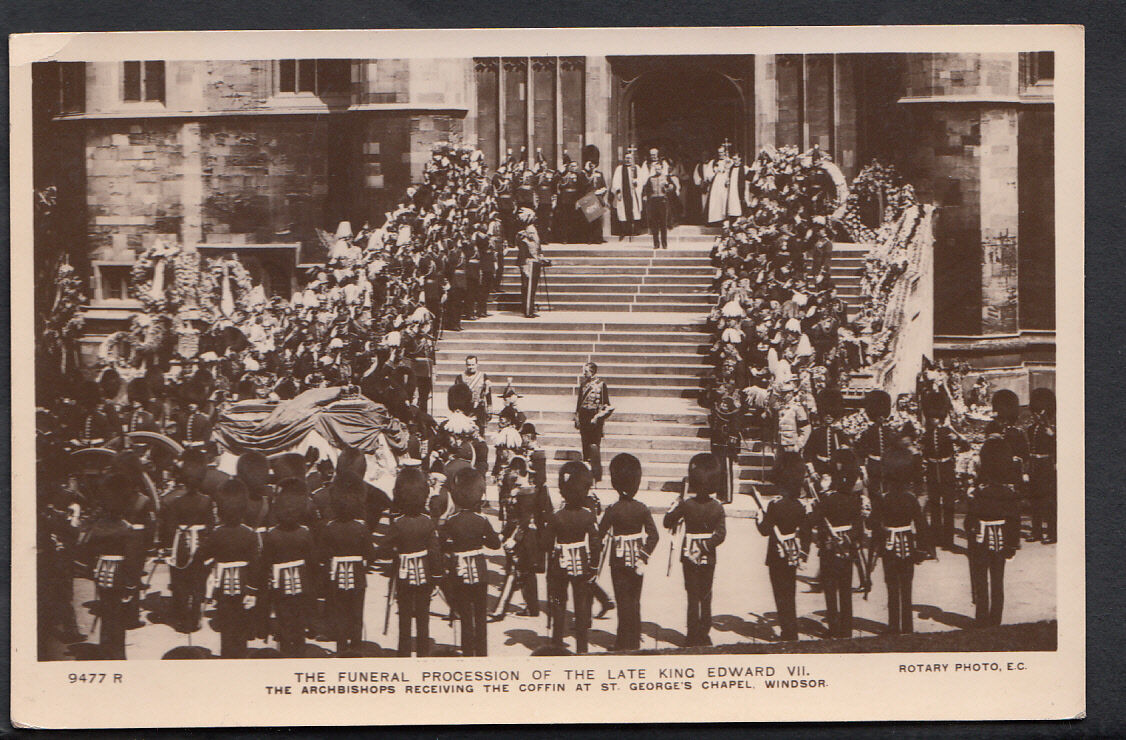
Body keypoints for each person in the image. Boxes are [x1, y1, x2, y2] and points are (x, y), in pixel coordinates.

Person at [663, 453, 726, 647]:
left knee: (692, 595)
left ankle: (692, 634)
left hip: (689, 554)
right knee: (706, 595)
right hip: (708, 555)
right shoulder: (717, 507)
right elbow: (721, 534)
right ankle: (704, 633)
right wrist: (706, 546)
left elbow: (668, 522)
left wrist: (673, 508)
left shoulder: (687, 505)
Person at [377, 467, 440, 657]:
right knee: (423, 618)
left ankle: (403, 655)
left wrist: (396, 550)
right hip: (424, 575)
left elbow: (383, 551)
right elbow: (434, 552)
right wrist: (437, 577)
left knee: (404, 619)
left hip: (403, 576)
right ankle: (423, 655)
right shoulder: (427, 522)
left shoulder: (398, 523)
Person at [598, 453, 659, 650]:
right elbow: (654, 536)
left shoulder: (613, 510)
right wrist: (644, 555)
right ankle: (634, 639)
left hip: (618, 559)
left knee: (623, 600)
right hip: (637, 560)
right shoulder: (642, 509)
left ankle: (623, 641)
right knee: (634, 600)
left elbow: (599, 534)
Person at [870, 446, 932, 635]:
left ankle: (893, 625)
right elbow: (921, 526)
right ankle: (907, 626)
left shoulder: (884, 499)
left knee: (892, 585)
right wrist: (922, 549)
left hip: (889, 545)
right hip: (907, 544)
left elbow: (872, 523)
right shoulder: (910, 499)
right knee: (906, 585)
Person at [197, 478, 261, 659]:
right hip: (243, 583)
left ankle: (228, 654)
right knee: (242, 622)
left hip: (223, 583)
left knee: (226, 623)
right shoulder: (249, 533)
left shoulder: (217, 533)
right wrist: (252, 589)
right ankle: (240, 653)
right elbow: (255, 563)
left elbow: (201, 555)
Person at [440, 468, 501, 656]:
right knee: (480, 615)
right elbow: (495, 544)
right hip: (480, 571)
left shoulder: (451, 521)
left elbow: (444, 546)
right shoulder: (481, 520)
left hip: (460, 571)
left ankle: (467, 652)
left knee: (466, 615)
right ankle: (482, 652)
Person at [82, 473, 143, 659]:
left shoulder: (99, 526)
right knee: (118, 617)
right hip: (120, 574)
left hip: (102, 572)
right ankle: (116, 654)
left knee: (106, 614)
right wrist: (132, 584)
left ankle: (105, 649)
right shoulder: (126, 529)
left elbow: (87, 549)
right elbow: (132, 561)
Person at [752, 451, 811, 641]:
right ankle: (791, 630)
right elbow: (806, 531)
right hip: (792, 552)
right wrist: (804, 554)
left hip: (777, 554)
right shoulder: (799, 506)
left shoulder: (774, 505)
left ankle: (787, 631)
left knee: (780, 593)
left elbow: (765, 530)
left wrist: (758, 519)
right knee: (790, 592)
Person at [544, 461, 602, 654]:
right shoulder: (587, 516)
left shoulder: (556, 516)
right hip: (581, 562)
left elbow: (546, 544)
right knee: (581, 606)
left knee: (559, 605)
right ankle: (582, 648)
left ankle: (557, 643)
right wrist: (594, 567)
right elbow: (595, 544)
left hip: (559, 564)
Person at [317, 472, 377, 657]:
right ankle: (356, 646)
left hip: (337, 574)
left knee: (340, 613)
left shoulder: (330, 527)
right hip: (357, 573)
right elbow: (371, 554)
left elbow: (323, 554)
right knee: (356, 613)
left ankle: (341, 648)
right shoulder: (361, 528)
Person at [965, 438, 1022, 627]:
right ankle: (995, 620)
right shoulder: (1008, 493)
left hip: (981, 540)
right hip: (1001, 540)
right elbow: (1014, 521)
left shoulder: (979, 492)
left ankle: (981, 619)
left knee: (981, 581)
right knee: (998, 582)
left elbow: (969, 522)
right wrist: (1012, 545)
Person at [261, 478, 317, 657]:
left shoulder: (272, 535)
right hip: (301, 580)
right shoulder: (305, 533)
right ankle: (299, 651)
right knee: (299, 619)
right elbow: (311, 561)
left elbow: (266, 562)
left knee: (283, 620)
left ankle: (285, 653)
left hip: (280, 583)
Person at [162, 449, 217, 633]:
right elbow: (210, 527)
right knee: (198, 582)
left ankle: (182, 618)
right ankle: (194, 618)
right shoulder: (206, 501)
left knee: (180, 582)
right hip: (200, 543)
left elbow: (169, 529)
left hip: (180, 545)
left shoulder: (174, 501)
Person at [813, 450, 864, 638]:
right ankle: (846, 628)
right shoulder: (853, 501)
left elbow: (815, 522)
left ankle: (834, 627)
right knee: (845, 588)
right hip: (847, 549)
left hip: (829, 549)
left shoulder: (827, 500)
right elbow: (858, 527)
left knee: (830, 589)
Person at [491, 455, 544, 621]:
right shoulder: (520, 492)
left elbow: (524, 521)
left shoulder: (526, 492)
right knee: (525, 573)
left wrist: (513, 538)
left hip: (523, 538)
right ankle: (532, 607)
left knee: (514, 572)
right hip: (518, 535)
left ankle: (500, 609)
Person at [920, 390, 965, 549]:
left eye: (936, 417)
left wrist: (957, 439)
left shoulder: (948, 431)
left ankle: (948, 540)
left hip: (946, 471)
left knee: (948, 506)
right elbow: (923, 452)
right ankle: (936, 537)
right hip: (933, 471)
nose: (934, 421)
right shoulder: (926, 434)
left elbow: (966, 445)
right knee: (934, 506)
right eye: (932, 418)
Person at [1027, 387, 1056, 544]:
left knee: (1049, 501)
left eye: (1040, 411)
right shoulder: (1032, 429)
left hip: (1046, 466)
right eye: (1036, 412)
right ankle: (1036, 531)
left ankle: (1052, 533)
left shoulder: (1052, 430)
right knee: (1035, 500)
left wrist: (1053, 436)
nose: (1037, 415)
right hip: (1035, 466)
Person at [575, 361, 611, 485]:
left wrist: (599, 417)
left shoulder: (601, 385)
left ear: (592, 372)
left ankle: (596, 475)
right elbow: (579, 403)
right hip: (584, 418)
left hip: (595, 419)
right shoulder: (583, 385)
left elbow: (606, 404)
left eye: (586, 371)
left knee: (594, 446)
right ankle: (586, 473)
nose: (583, 374)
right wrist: (577, 417)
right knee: (585, 444)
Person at [856, 389, 893, 500]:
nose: (881, 417)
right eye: (879, 414)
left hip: (888, 466)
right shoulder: (867, 432)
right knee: (874, 495)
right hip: (873, 467)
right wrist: (864, 471)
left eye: (883, 414)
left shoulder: (890, 431)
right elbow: (861, 453)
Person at [640, 147, 678, 250]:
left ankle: (664, 244)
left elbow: (673, 187)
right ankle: (656, 244)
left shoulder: (666, 178)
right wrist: (645, 196)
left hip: (663, 201)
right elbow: (646, 189)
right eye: (656, 169)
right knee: (654, 224)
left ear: (662, 168)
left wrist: (669, 187)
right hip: (653, 202)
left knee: (663, 224)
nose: (657, 170)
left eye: (659, 168)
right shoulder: (650, 178)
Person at [515, 208, 548, 318]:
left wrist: (541, 256)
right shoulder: (524, 235)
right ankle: (528, 310)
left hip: (535, 261)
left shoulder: (531, 231)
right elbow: (524, 251)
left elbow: (537, 246)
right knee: (528, 287)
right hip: (528, 263)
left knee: (532, 287)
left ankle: (530, 308)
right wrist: (524, 266)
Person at [453, 355, 492, 437]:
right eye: (469, 365)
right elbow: (455, 394)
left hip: (479, 410)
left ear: (477, 364)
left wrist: (489, 407)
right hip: (465, 409)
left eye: (473, 365)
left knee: (480, 433)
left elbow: (488, 393)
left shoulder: (483, 376)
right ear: (466, 365)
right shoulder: (460, 377)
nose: (471, 367)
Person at [610, 147, 644, 239]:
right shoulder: (620, 169)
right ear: (624, 159)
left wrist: (636, 182)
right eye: (626, 158)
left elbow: (642, 180)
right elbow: (615, 181)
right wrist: (618, 191)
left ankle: (635, 230)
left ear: (633, 159)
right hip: (624, 194)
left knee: (635, 210)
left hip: (634, 193)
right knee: (623, 212)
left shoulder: (636, 168)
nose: (628, 160)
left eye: (630, 158)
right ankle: (624, 231)